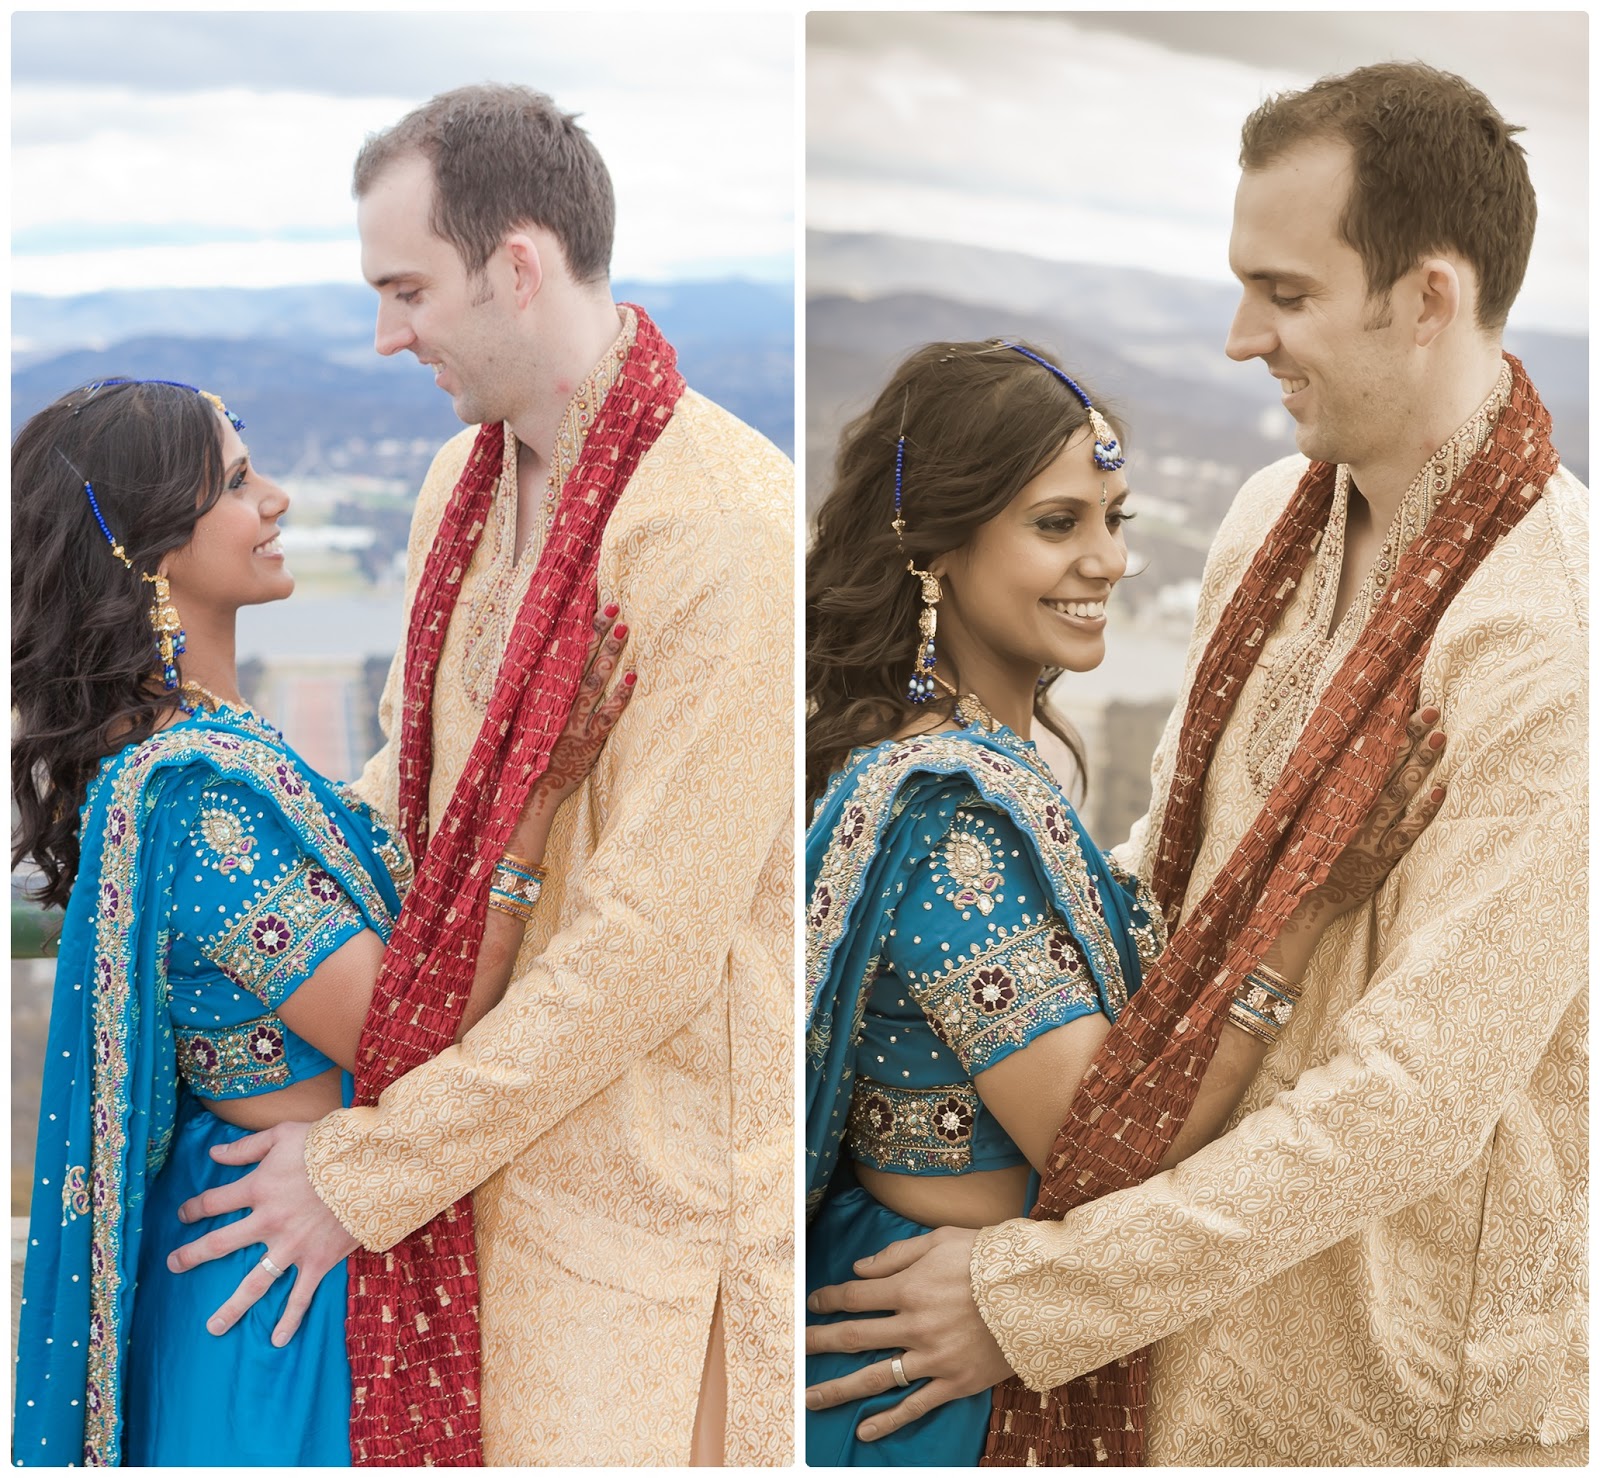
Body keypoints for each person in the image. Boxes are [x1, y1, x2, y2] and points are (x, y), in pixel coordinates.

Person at [805, 62, 1587, 1465]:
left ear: (1427, 297)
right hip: (1167, 1365)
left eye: (1285, 294)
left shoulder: (1549, 637)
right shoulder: (1265, 520)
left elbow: (1416, 1100)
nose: (1241, 337)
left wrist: (1044, 1295)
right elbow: (1164, 883)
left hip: (1394, 1398)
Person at [163, 85, 794, 1465]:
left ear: (518, 264)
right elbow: (413, 788)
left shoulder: (723, 522)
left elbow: (652, 947)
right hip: (451, 1170)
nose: (385, 334)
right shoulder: (461, 476)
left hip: (633, 1222)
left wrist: (371, 1166)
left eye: (407, 289)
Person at [803, 339, 1447, 1465]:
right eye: (1057, 524)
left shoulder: (977, 768)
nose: (1106, 560)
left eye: (1114, 517)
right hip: (932, 1378)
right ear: (937, 551)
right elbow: (1107, 1147)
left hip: (960, 1325)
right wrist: (1300, 915)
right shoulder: (949, 818)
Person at [10, 379, 631, 1466]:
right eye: (242, 484)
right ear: (154, 552)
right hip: (281, 1316)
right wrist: (533, 808)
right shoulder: (203, 802)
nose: (280, 499)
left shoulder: (202, 751)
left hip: (280, 1261)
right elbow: (411, 1039)